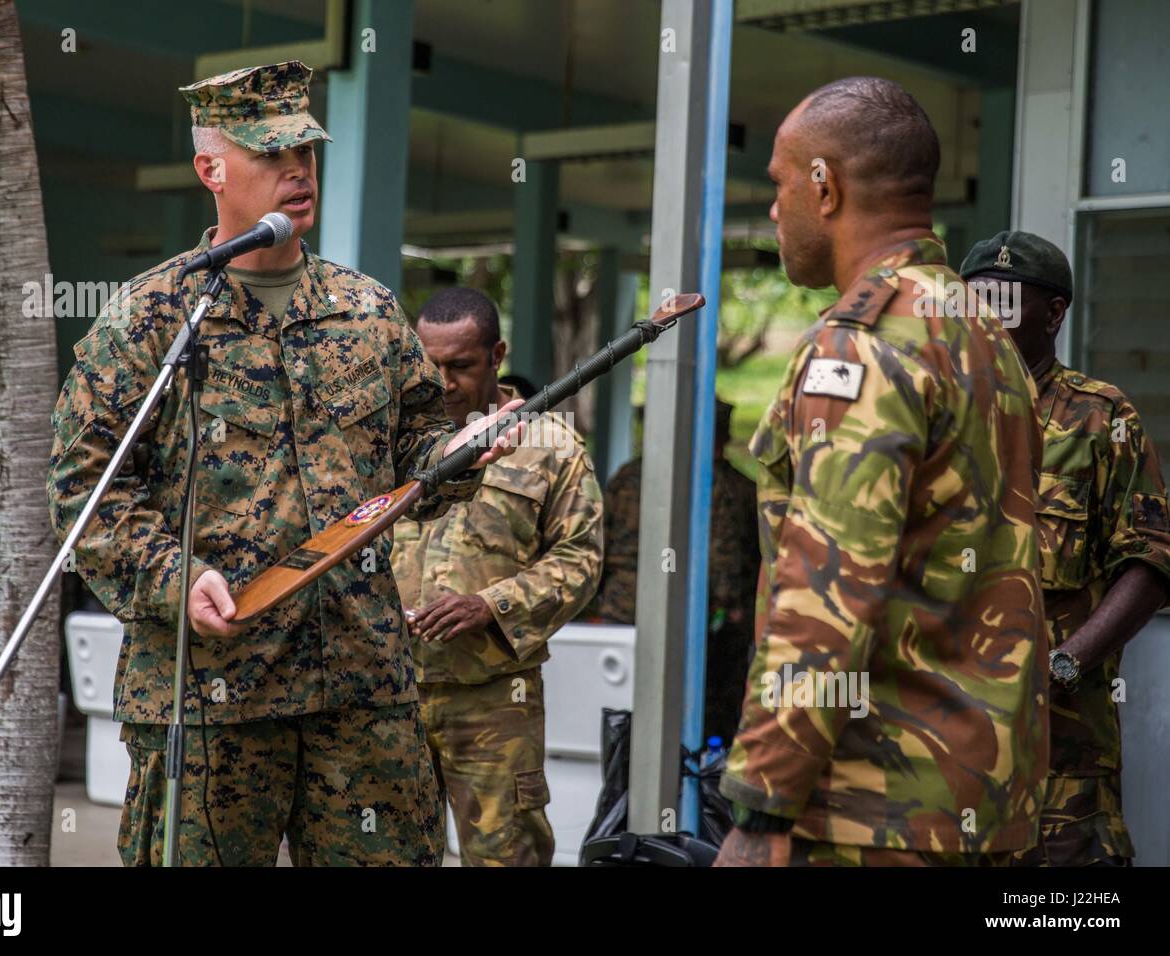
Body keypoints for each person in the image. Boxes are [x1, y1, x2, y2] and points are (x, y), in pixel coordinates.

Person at [47, 61, 522, 867]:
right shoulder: (151, 319)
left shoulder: (368, 311)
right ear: (212, 169)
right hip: (212, 696)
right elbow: (84, 488)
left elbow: (413, 457)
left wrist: (457, 453)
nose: (298, 171)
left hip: (361, 687)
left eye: (305, 150)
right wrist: (173, 575)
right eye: (271, 155)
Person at [713, 77, 1048, 867]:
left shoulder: (860, 345)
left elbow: (829, 592)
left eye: (779, 183)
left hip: (875, 813)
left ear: (824, 187)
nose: (773, 208)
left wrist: (761, 808)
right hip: (987, 801)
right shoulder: (981, 336)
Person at [961, 230, 1170, 866]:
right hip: (945, 751)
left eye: (1003, 300)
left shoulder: (1101, 417)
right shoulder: (934, 415)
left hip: (1061, 756)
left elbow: (1151, 561)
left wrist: (1065, 667)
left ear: (1054, 312)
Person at [391, 287, 603, 866]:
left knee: (505, 854)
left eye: (460, 365)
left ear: (497, 354)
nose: (444, 381)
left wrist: (490, 604)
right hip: (390, 694)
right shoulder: (388, 445)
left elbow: (581, 559)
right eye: (429, 365)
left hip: (493, 701)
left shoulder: (550, 447)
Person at [589, 400, 759, 742]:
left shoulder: (627, 477)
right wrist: (732, 610)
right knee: (705, 718)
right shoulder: (729, 486)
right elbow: (728, 558)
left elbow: (598, 546)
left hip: (624, 612)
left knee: (624, 713)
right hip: (702, 623)